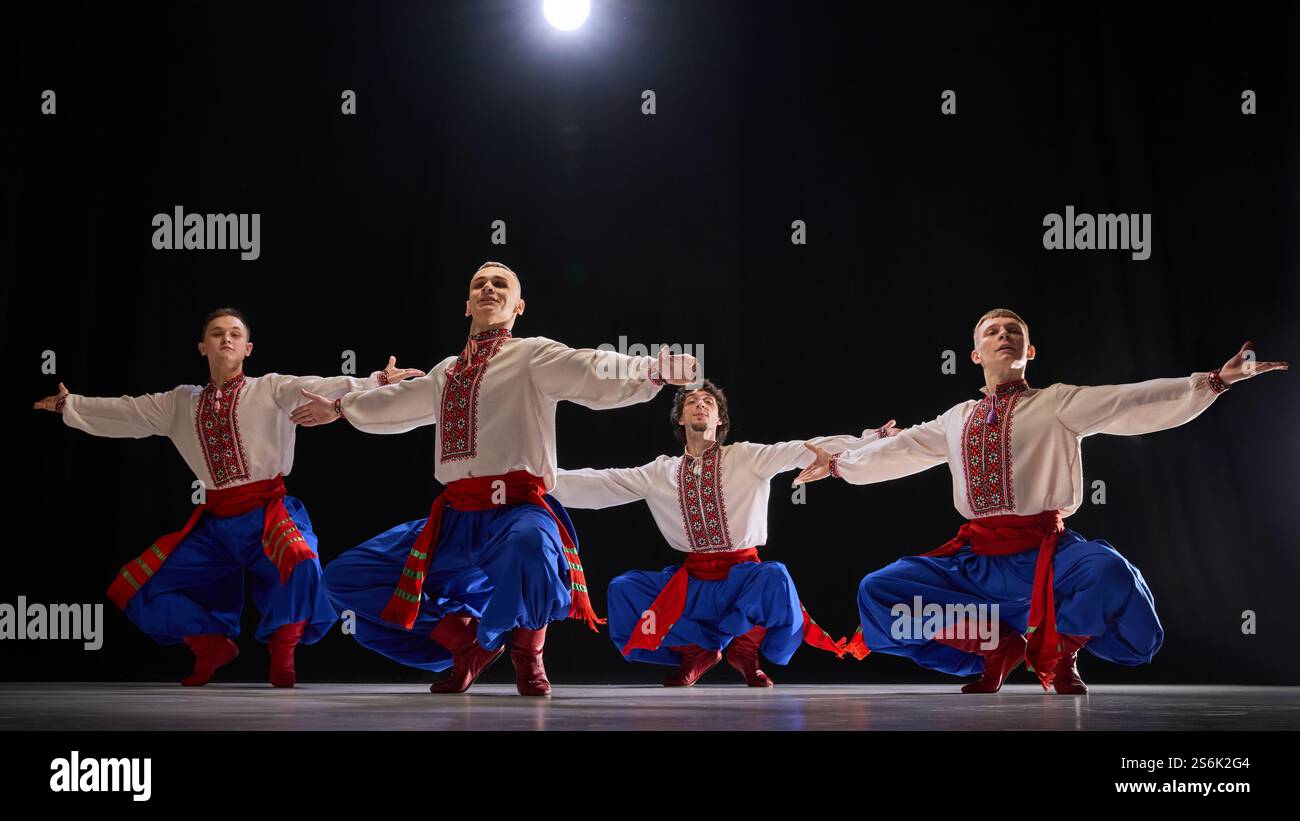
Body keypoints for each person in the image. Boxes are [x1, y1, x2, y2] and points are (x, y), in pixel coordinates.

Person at [795, 309, 1288, 694]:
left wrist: (1214, 381)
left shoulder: (1056, 402)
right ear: (974, 355)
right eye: (992, 332)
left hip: (1048, 554)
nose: (1003, 336)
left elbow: (1129, 400)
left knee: (1113, 578)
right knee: (881, 590)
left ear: (1030, 350)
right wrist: (840, 463)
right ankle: (994, 645)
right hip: (976, 562)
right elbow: (898, 450)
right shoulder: (956, 418)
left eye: (1014, 331)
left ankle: (1055, 651)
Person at [295, 261, 698, 695]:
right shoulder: (446, 372)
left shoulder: (532, 355)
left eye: (500, 283)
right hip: (453, 520)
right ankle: (465, 642)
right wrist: (338, 408)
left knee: (535, 548)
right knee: (343, 577)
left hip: (516, 513)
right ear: (467, 305)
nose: (488, 288)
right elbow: (395, 404)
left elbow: (589, 367)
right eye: (478, 284)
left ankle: (529, 653)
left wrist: (653, 371)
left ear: (518, 305)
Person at [34, 307, 423, 686]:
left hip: (268, 514)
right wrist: (72, 405)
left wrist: (376, 381)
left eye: (235, 334)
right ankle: (209, 645)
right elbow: (127, 412)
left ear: (248, 348)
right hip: (216, 526)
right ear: (202, 346)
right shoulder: (179, 403)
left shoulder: (270, 388)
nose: (226, 339)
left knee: (303, 560)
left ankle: (283, 650)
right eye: (217, 333)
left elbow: (322, 385)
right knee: (133, 585)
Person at [553, 379, 898, 686]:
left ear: (720, 420)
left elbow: (801, 447)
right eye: (691, 401)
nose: (700, 404)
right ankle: (697, 651)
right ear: (680, 419)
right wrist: (542, 481)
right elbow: (602, 482)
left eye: (709, 402)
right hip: (692, 581)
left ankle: (744, 652)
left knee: (775, 578)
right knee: (625, 589)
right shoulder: (660, 472)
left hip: (743, 578)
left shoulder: (746, 457)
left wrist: (867, 441)